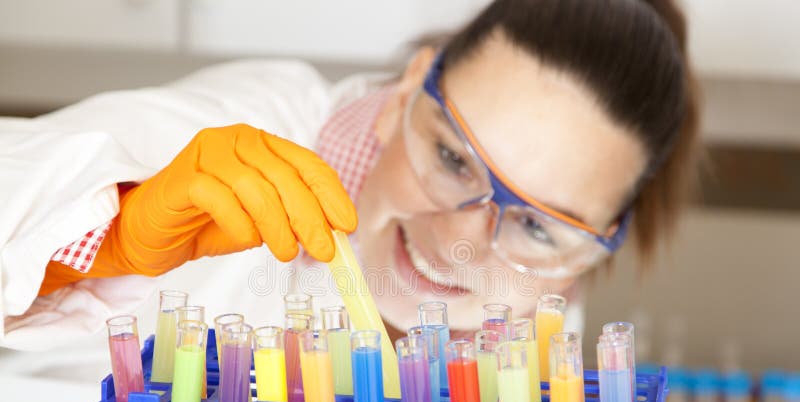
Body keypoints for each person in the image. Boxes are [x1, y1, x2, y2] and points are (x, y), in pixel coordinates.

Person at [0, 0, 699, 351]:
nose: (458, 234)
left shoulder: (540, 308)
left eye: (540, 226)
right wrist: (107, 240)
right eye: (454, 158)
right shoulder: (248, 134)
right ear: (406, 93)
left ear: (597, 244)